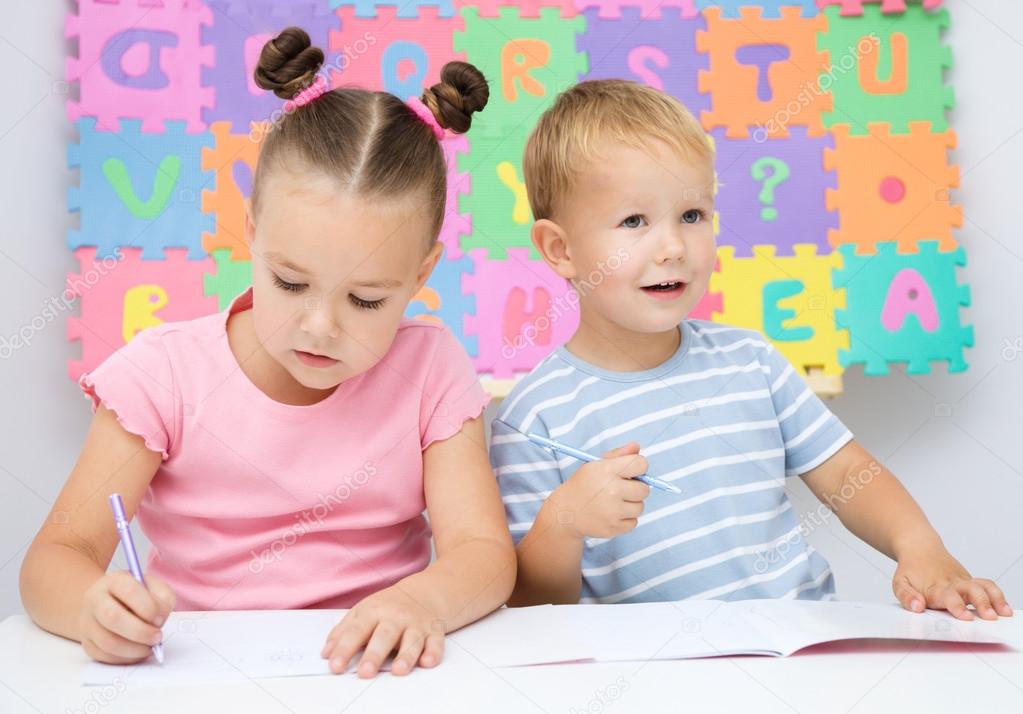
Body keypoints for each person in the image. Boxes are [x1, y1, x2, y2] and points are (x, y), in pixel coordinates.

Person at [21, 27, 515, 678]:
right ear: (252, 233)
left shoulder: (430, 368)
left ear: (421, 274)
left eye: (365, 300)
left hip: (378, 674)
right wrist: (93, 606)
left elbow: (482, 552)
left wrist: (421, 601)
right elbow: (56, 556)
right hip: (203, 675)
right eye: (289, 282)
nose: (319, 327)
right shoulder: (163, 375)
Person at [490, 79, 1012, 621]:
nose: (672, 247)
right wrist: (564, 522)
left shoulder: (748, 360)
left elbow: (846, 473)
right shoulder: (533, 419)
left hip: (798, 651)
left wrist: (920, 547)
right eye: (634, 221)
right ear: (561, 249)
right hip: (649, 678)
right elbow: (533, 608)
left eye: (692, 215)